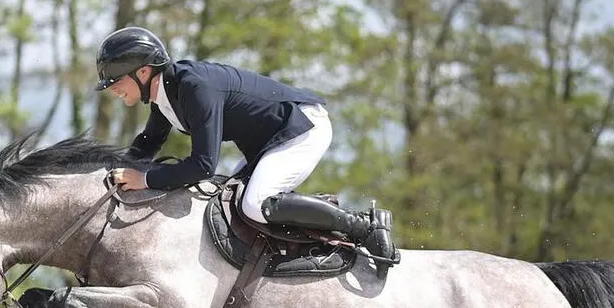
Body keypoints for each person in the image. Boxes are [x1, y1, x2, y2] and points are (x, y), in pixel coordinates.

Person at [95, 26, 396, 263]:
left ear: (143, 72)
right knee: (226, 202)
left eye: (115, 82)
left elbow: (202, 166)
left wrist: (145, 178)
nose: (112, 92)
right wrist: (108, 172)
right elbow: (147, 144)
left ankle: (363, 226)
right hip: (269, 142)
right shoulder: (165, 96)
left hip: (301, 128)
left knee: (254, 204)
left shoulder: (194, 87)